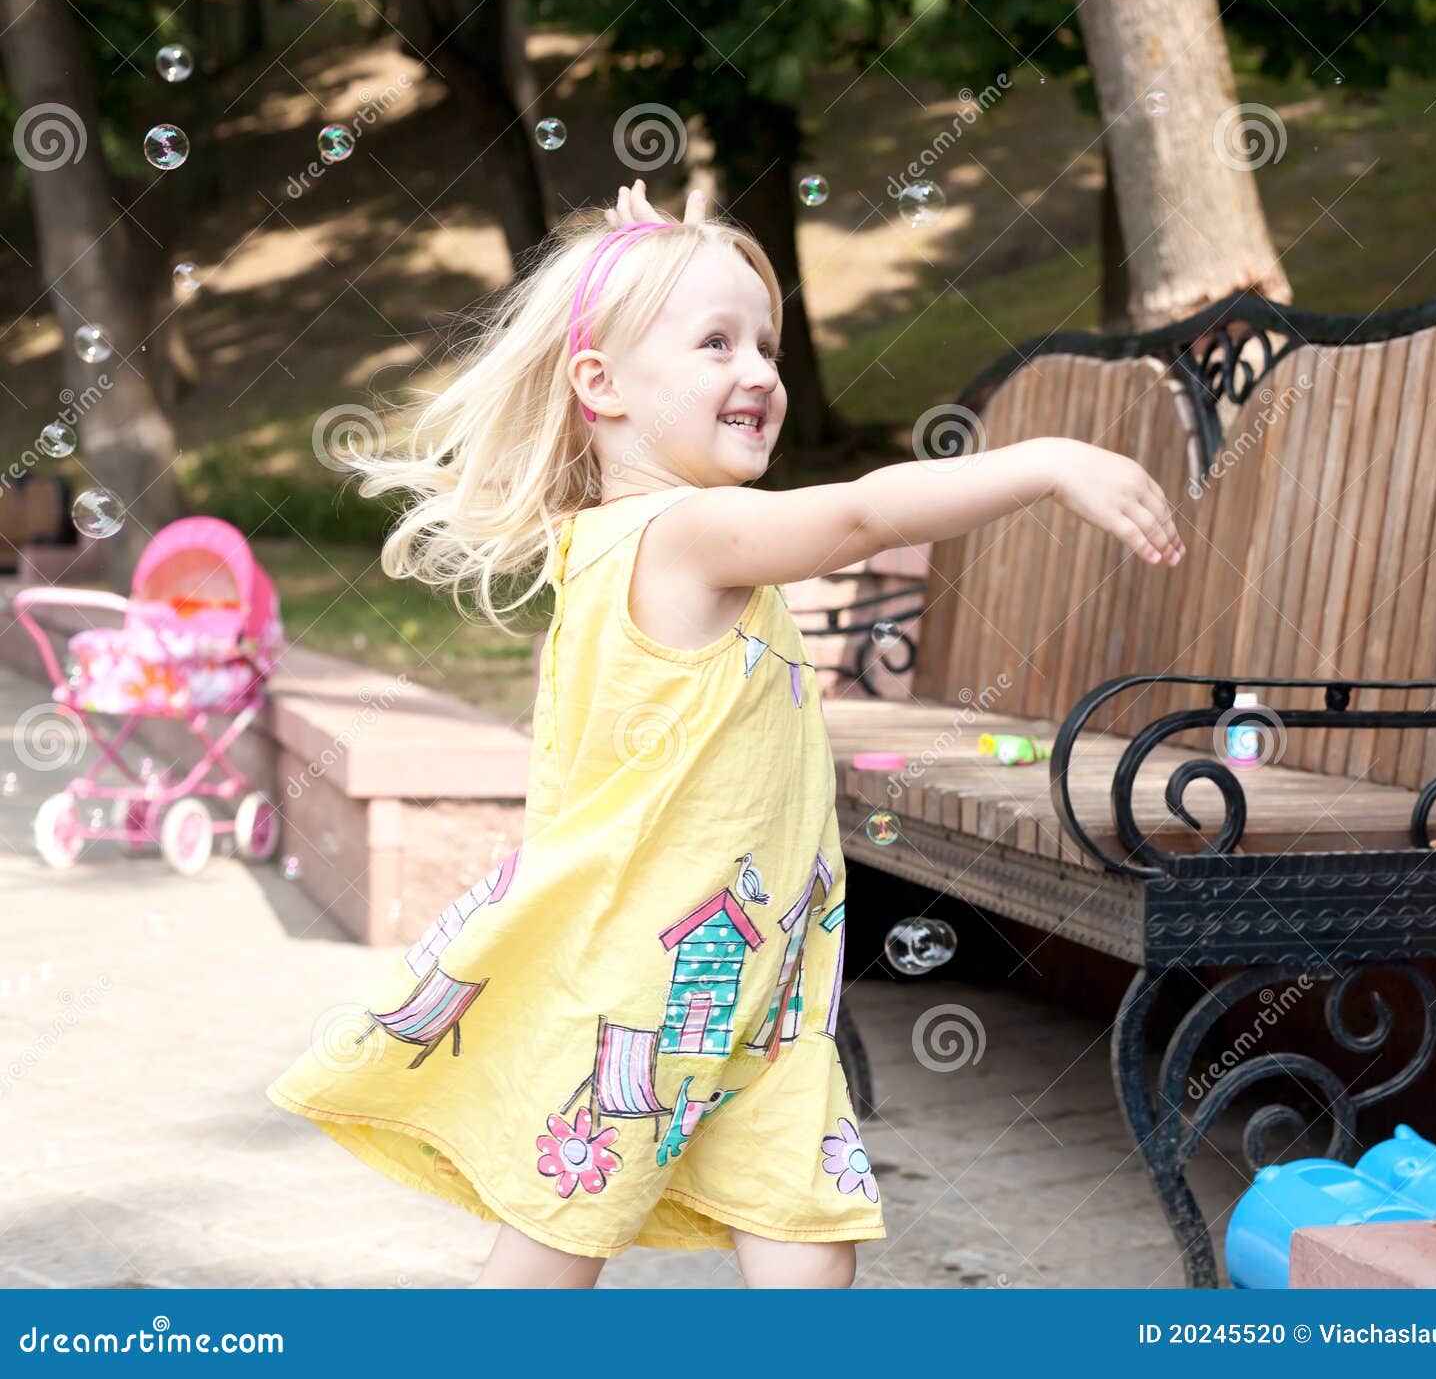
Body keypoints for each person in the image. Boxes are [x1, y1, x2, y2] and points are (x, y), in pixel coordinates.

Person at [265, 179, 1184, 1291]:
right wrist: (1044, 463)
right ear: (598, 384)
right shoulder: (686, 534)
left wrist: (663, 253)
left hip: (768, 978)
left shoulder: (619, 535)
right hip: (649, 985)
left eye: (764, 343)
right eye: (712, 343)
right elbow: (858, 513)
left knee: (802, 1223)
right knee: (564, 1229)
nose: (756, 371)